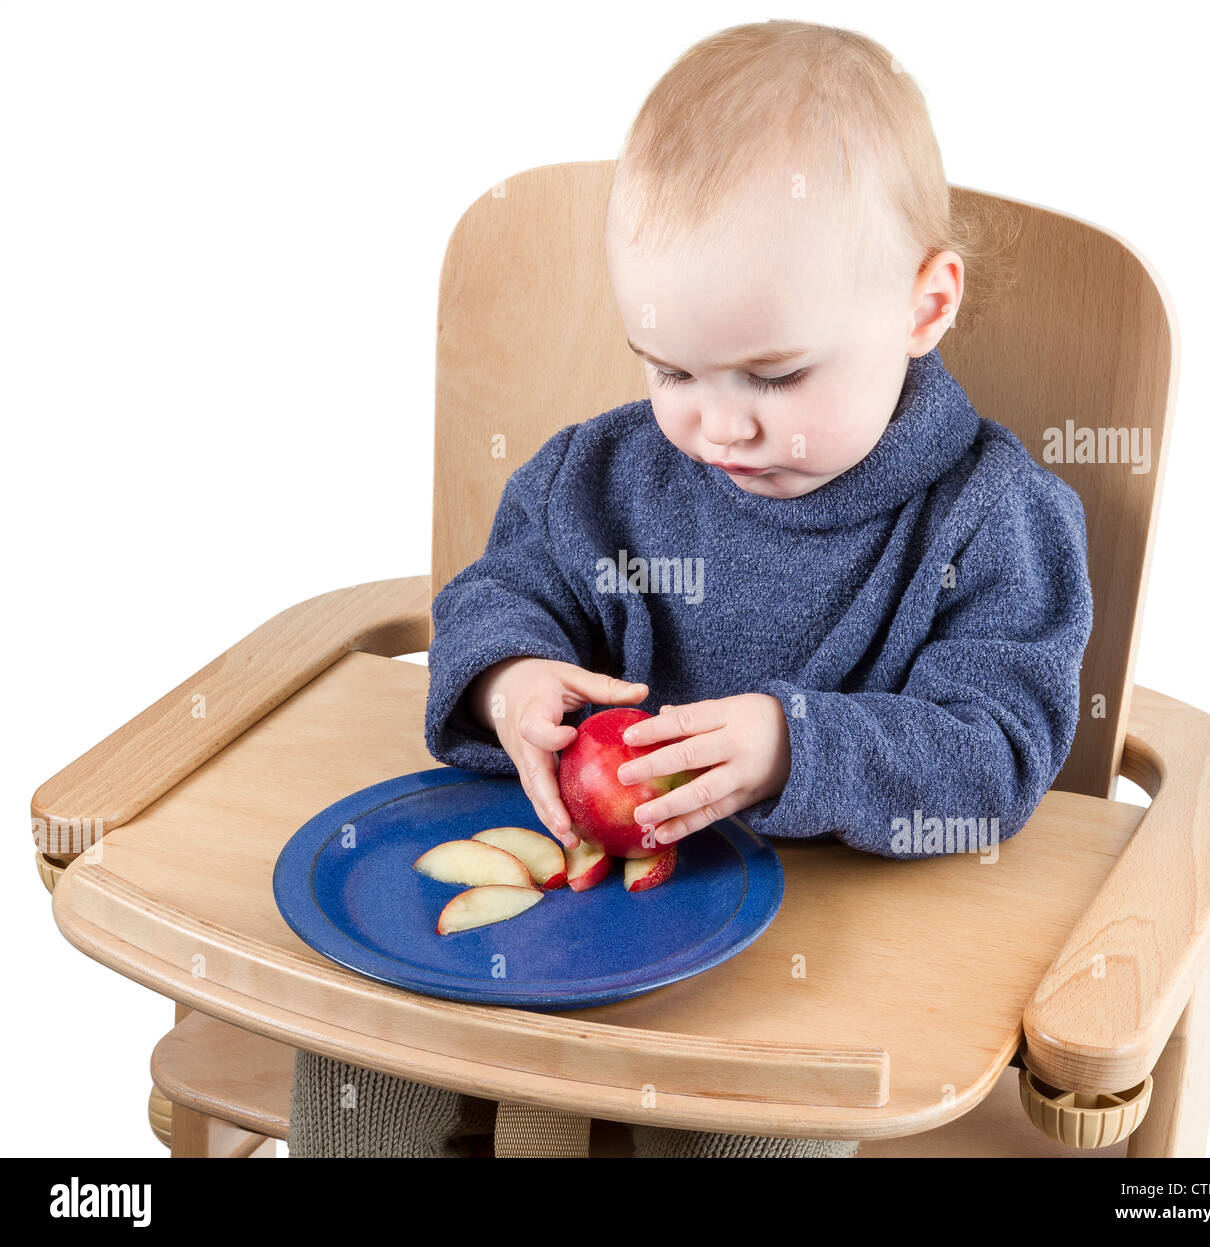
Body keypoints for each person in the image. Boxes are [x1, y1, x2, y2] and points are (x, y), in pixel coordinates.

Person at [289, 17, 1092, 1159]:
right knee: (351, 1038)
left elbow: (999, 753)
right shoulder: (600, 478)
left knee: (765, 1125)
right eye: (669, 368)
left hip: (812, 970)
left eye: (774, 374)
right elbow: (498, 591)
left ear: (924, 305)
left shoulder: (993, 521)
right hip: (572, 905)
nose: (715, 424)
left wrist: (793, 746)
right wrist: (508, 682)